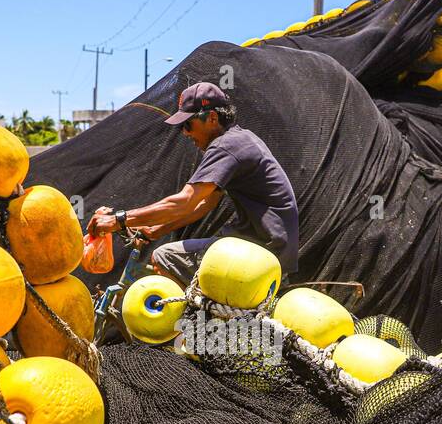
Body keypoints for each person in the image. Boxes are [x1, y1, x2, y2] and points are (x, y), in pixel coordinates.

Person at [87, 82, 299, 284]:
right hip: (273, 245)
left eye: (188, 124)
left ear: (212, 118)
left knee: (164, 257)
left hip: (262, 248)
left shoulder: (226, 146)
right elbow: (203, 205)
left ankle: (192, 322)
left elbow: (185, 201)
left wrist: (120, 220)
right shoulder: (240, 139)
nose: (186, 133)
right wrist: (155, 230)